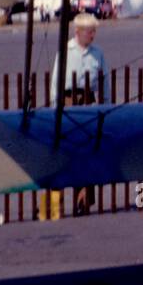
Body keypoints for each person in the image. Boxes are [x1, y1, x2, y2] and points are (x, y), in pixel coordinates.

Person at [50, 12, 109, 215]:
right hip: (67, 101)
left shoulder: (98, 52)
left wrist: (106, 105)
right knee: (65, 149)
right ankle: (53, 205)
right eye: (89, 31)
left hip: (89, 102)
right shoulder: (65, 51)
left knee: (88, 149)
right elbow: (56, 81)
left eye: (94, 31)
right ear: (77, 32)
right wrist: (54, 107)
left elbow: (105, 80)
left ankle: (84, 200)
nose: (93, 35)